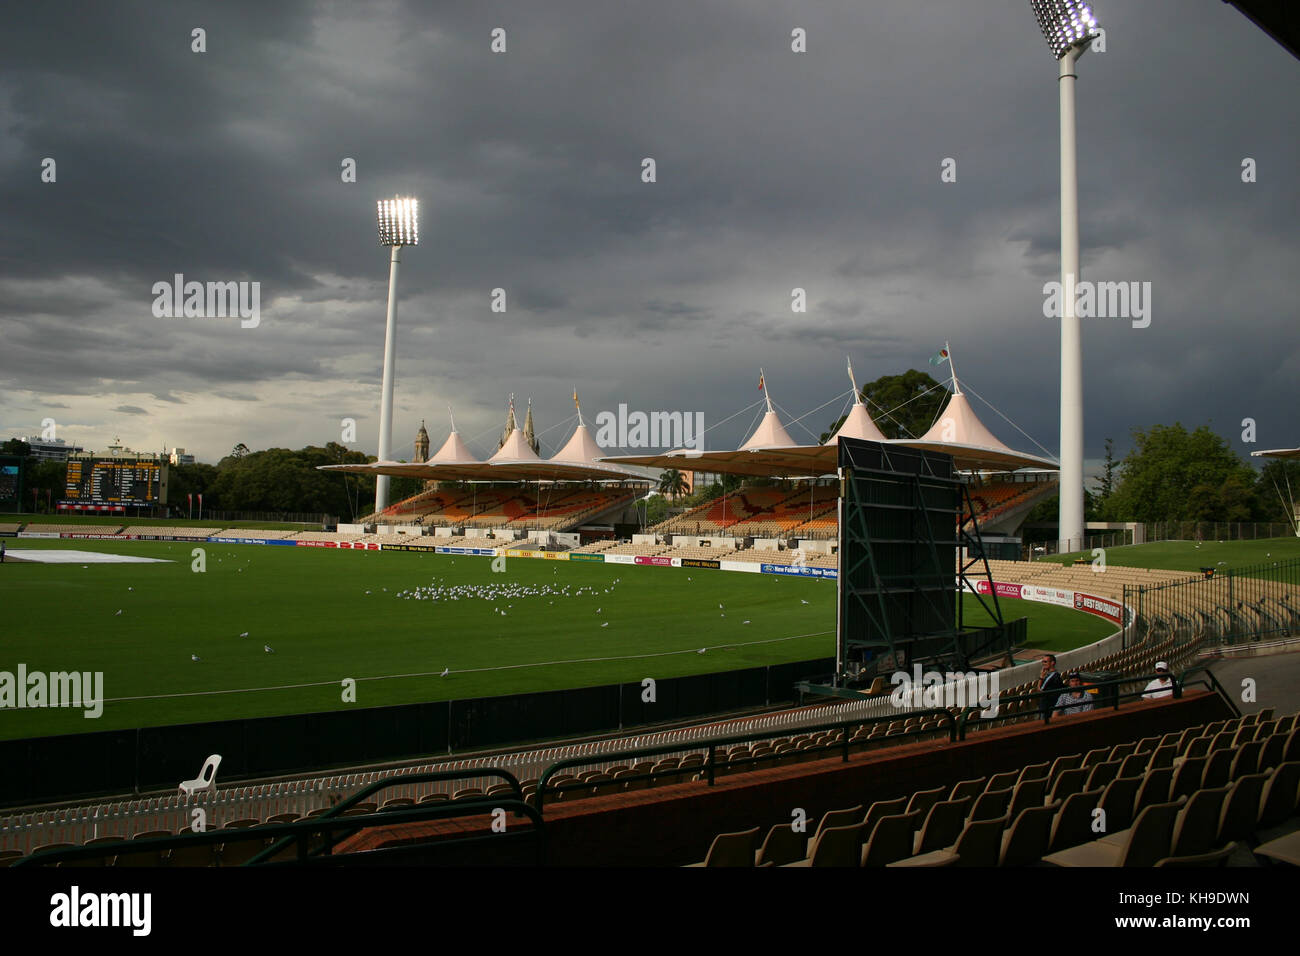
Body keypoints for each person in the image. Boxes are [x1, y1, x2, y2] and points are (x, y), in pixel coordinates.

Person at [1038, 654, 1063, 719]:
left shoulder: (1053, 675)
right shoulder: (1050, 674)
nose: (1043, 664)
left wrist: (1041, 678)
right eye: (1042, 662)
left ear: (1052, 663)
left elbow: (1040, 690)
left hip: (1048, 706)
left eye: (1045, 662)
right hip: (1048, 705)